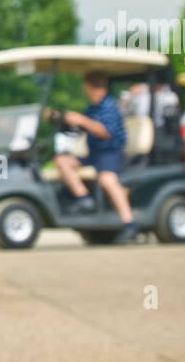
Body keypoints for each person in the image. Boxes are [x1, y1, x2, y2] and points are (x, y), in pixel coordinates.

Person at [45, 71, 137, 243]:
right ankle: (83, 198)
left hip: (110, 152)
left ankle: (129, 223)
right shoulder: (93, 107)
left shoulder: (109, 105)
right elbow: (80, 128)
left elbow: (105, 132)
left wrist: (82, 120)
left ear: (90, 86)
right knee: (62, 160)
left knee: (107, 180)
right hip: (93, 154)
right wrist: (59, 118)